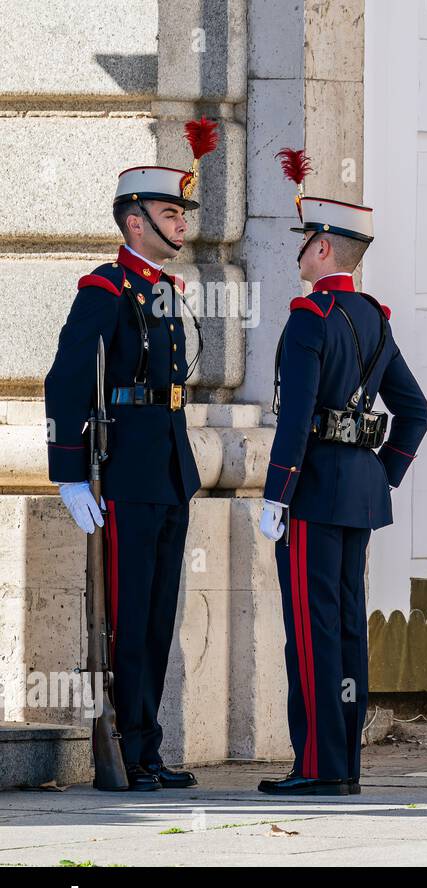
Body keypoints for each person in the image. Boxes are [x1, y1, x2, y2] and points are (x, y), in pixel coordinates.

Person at [44, 119, 219, 791]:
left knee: (156, 616)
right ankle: (121, 749)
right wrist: (68, 473)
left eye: (182, 213)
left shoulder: (166, 291)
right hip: (125, 473)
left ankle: (146, 751)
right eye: (171, 213)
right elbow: (65, 379)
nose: (181, 224)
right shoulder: (105, 289)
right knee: (127, 618)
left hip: (169, 469)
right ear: (135, 220)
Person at [256, 149, 427, 796]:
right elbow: (415, 414)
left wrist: (277, 495)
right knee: (348, 627)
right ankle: (346, 766)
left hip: (311, 494)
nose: (300, 251)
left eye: (307, 241)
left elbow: (296, 417)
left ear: (325, 249)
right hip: (358, 493)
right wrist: (381, 475)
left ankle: (316, 767)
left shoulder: (312, 319)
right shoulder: (374, 321)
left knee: (310, 629)